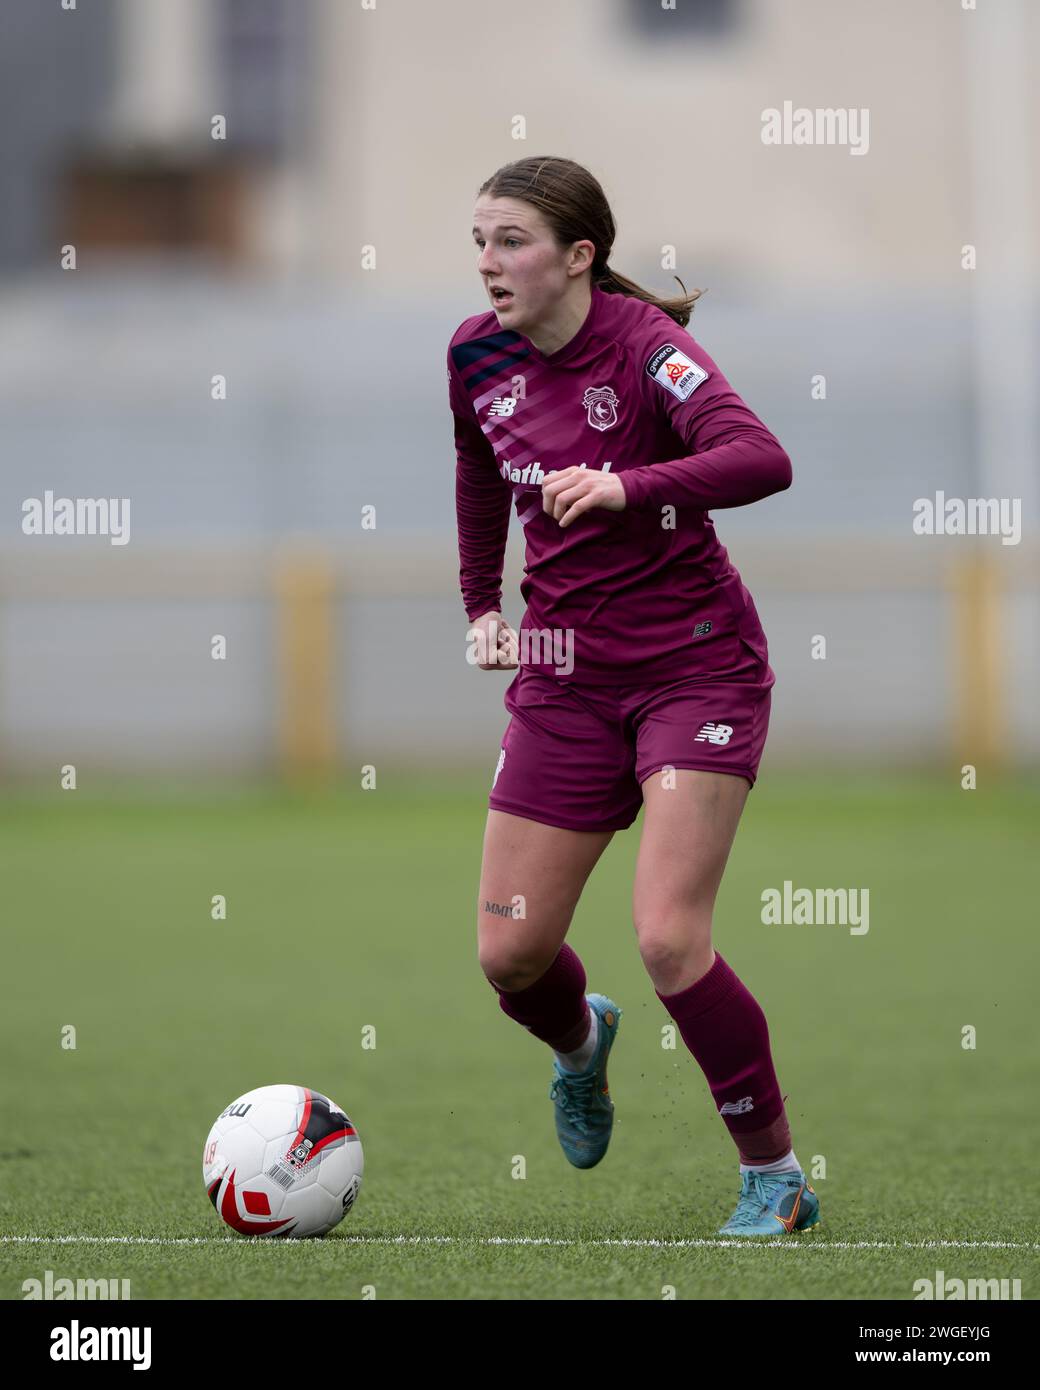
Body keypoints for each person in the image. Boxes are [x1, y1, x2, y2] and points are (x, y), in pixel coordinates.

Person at [447, 156, 818, 1237]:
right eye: (478, 240)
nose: (487, 263)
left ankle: (774, 1175)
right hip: (562, 675)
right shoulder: (474, 355)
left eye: (510, 240)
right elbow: (477, 473)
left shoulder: (647, 348)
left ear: (579, 255)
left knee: (666, 935)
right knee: (509, 955)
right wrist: (481, 603)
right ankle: (579, 1045)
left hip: (693, 665)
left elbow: (763, 458)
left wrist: (626, 487)